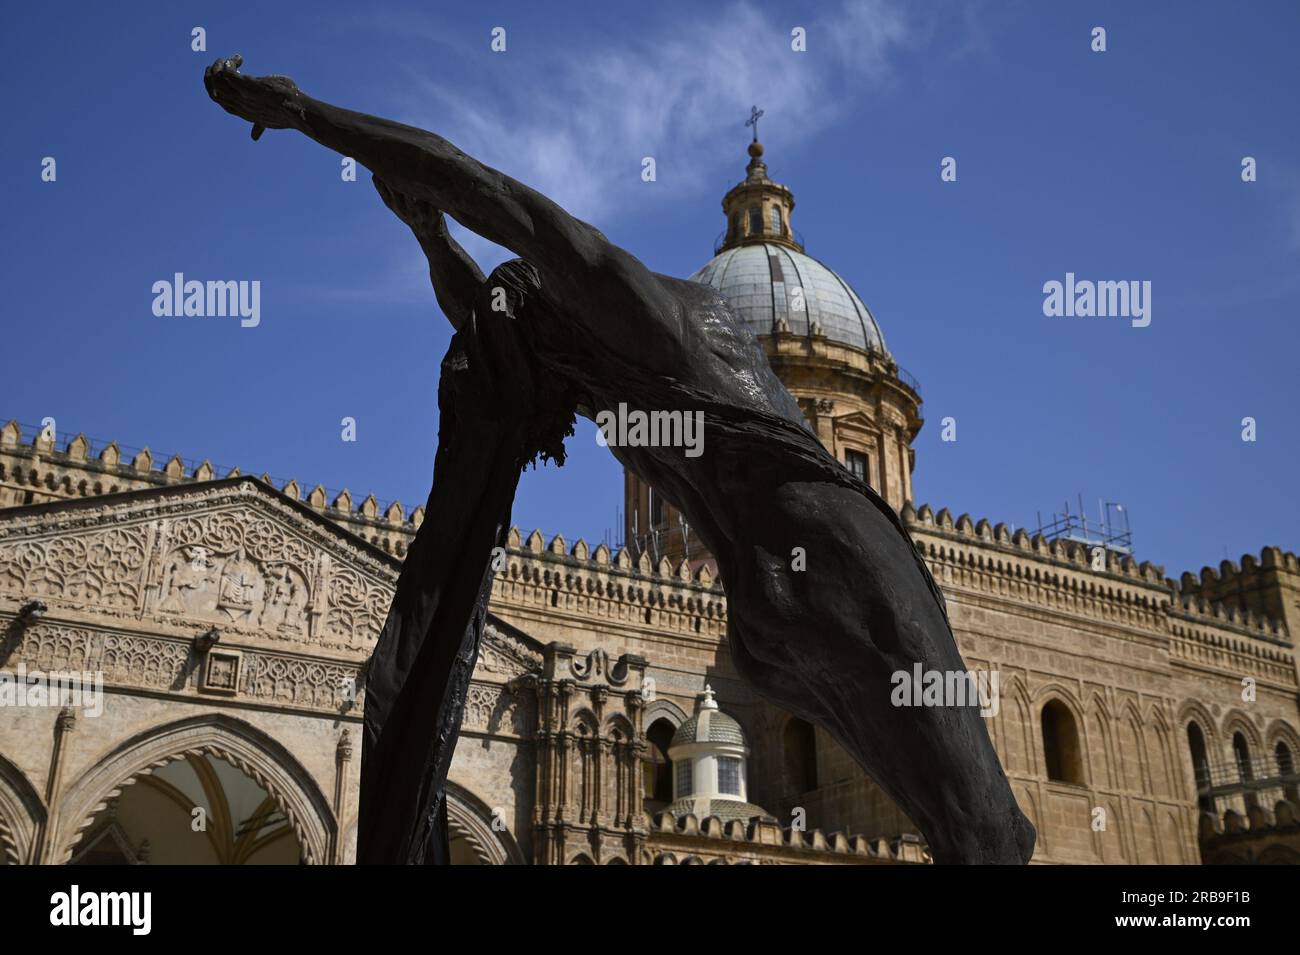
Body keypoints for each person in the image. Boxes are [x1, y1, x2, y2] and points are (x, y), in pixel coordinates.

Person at [204, 56, 1035, 864]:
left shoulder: (644, 311)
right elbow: (484, 321)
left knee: (988, 834)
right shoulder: (594, 370)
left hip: (829, 551)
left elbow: (472, 181)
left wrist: (304, 113)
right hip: (766, 600)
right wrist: (428, 235)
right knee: (970, 833)